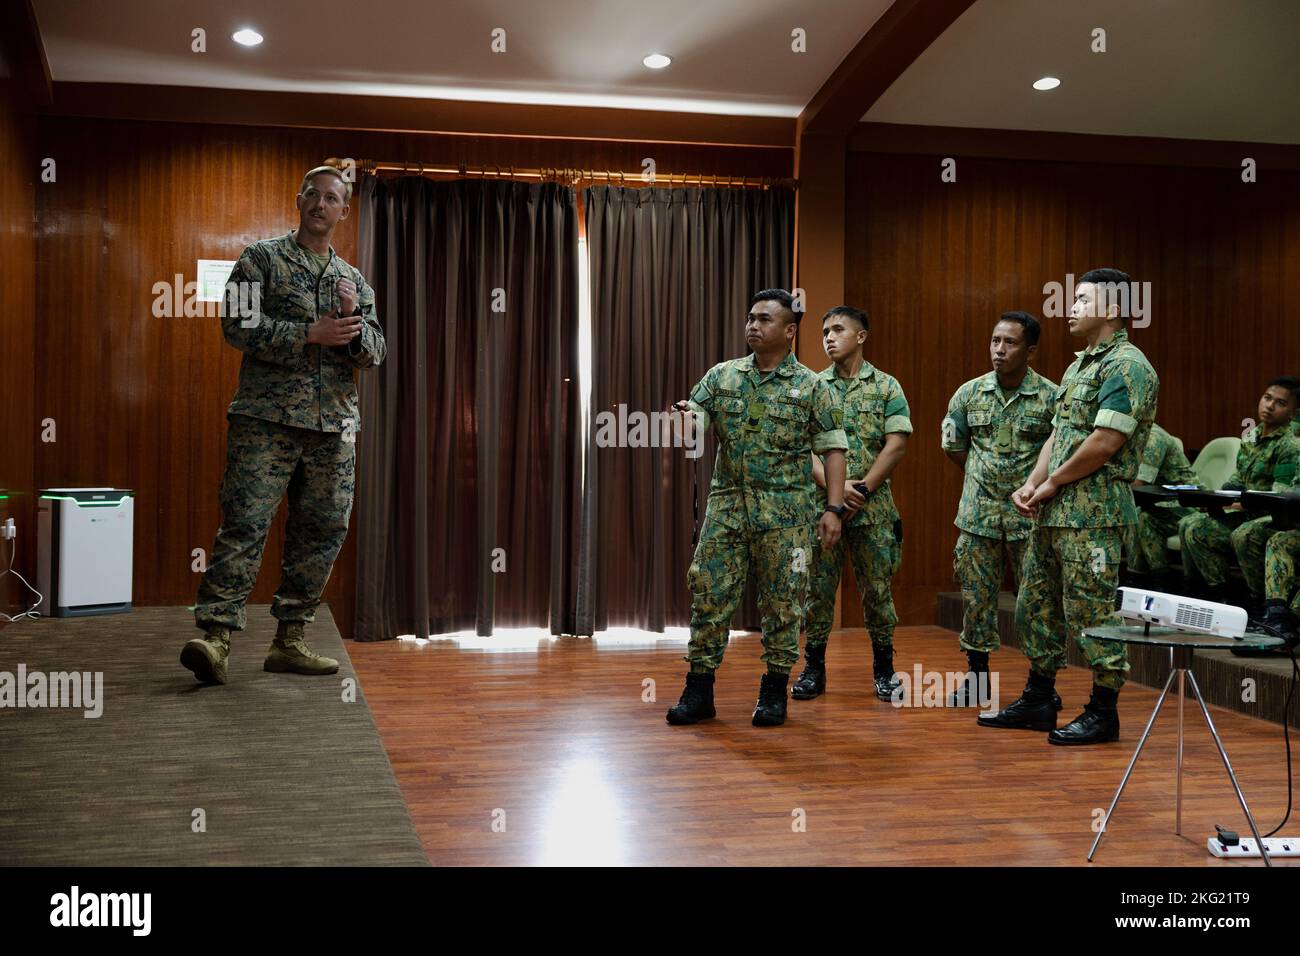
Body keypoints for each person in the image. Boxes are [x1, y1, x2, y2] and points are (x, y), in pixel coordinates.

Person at [182, 166, 386, 685]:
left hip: (333, 430)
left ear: (343, 210)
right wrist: (308, 333)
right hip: (265, 422)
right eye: (313, 195)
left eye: (333, 198)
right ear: (300, 201)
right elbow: (236, 324)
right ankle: (216, 638)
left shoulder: (355, 281)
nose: (321, 205)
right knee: (246, 524)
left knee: (322, 531)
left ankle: (290, 640)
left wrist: (351, 323)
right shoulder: (261, 259)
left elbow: (375, 354)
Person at [978, 268, 1158, 745]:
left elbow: (1106, 441)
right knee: (1033, 608)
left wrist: (1053, 483)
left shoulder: (1127, 365)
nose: (1070, 307)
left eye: (1081, 299)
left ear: (1114, 310)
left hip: (1094, 516)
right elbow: (1060, 435)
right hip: (1055, 512)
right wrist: (1033, 483)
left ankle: (1104, 712)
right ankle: (1039, 699)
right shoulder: (1079, 366)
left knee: (1093, 615)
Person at [666, 290, 849, 727]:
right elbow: (695, 429)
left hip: (785, 517)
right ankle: (699, 689)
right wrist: (684, 421)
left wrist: (834, 509)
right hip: (727, 511)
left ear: (788, 331)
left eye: (764, 319)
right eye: (750, 318)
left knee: (783, 604)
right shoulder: (722, 376)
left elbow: (833, 452)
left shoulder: (811, 387)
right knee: (709, 596)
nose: (753, 325)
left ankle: (774, 691)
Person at [794, 306, 911, 702]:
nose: (828, 337)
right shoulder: (811, 386)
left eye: (838, 329)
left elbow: (896, 444)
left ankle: (884, 669)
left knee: (878, 592)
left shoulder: (887, 387)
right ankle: (813, 668)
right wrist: (837, 488)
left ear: (861, 336)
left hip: (874, 512)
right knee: (817, 592)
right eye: (825, 330)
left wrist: (861, 490)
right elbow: (802, 447)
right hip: (824, 508)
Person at [941, 312, 1058, 707]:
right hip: (978, 517)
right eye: (995, 341)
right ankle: (976, 680)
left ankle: (1042, 685)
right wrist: (982, 477)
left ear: (1031, 351)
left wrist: (1032, 488)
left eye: (1009, 343)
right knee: (976, 599)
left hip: (1030, 517)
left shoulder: (1051, 397)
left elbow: (1059, 451)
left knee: (1036, 602)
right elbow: (953, 445)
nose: (999, 350)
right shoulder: (969, 393)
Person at [1177, 378, 1300, 611]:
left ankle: (1257, 602)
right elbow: (1237, 480)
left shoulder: (1289, 446)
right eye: (1267, 398)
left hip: (1269, 519)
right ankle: (1219, 597)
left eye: (1280, 402)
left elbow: (1280, 498)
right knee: (1192, 526)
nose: (1270, 406)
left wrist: (1240, 503)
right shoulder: (1251, 436)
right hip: (1242, 511)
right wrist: (1217, 497)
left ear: (1293, 412)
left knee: (1242, 535)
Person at [1125, 423, 1198, 587]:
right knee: (1139, 515)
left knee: (1136, 517)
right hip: (1157, 505)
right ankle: (1140, 582)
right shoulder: (1126, 436)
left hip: (1187, 505)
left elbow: (1138, 485)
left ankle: (1157, 584)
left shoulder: (1153, 437)